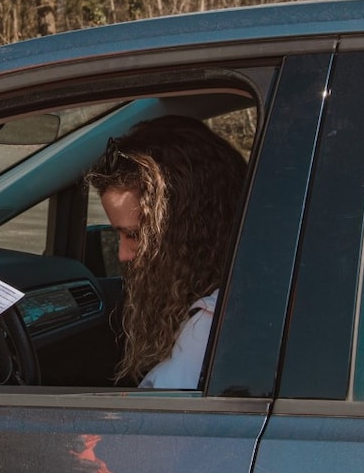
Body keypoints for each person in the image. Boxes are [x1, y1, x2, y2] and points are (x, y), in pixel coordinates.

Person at [84, 115, 247, 389]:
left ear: (188, 231)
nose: (123, 254)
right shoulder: (238, 301)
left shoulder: (207, 328)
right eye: (118, 234)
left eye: (135, 235)